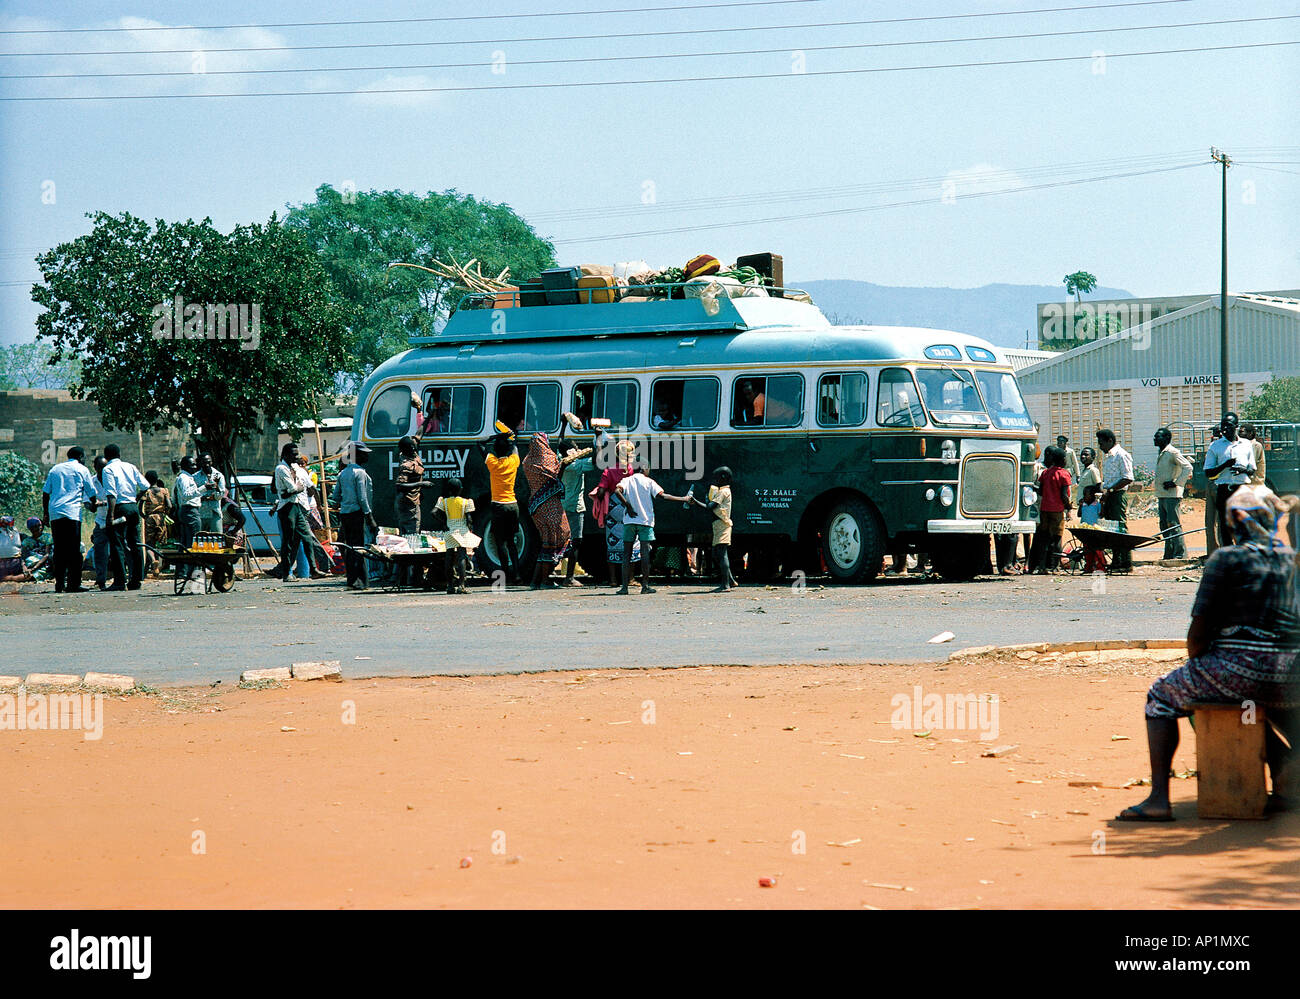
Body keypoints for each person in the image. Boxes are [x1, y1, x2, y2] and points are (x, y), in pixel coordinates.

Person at [1117, 485, 1300, 821]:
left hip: (1238, 667)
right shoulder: (1290, 560)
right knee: (1268, 701)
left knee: (1162, 695)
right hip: (1291, 669)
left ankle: (1159, 799)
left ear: (1234, 522)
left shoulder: (1226, 559)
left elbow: (1199, 632)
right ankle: (1286, 773)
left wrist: (1200, 663)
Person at [614, 460, 691, 595]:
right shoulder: (649, 482)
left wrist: (628, 506)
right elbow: (664, 496)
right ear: (645, 469)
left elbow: (616, 491)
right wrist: (683, 499)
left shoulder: (626, 480)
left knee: (626, 554)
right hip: (645, 522)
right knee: (645, 554)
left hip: (629, 521)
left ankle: (624, 587)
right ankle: (645, 586)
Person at [521, 430, 582, 590]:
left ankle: (536, 582)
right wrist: (564, 465)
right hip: (550, 505)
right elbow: (556, 477)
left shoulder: (527, 461)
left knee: (546, 543)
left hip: (535, 505)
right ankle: (545, 581)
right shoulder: (549, 459)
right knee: (559, 537)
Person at [41, 445, 96, 593]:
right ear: (81, 457)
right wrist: (95, 504)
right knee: (74, 550)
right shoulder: (82, 469)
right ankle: (74, 584)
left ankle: (59, 584)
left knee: (59, 549)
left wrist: (45, 513)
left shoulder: (55, 469)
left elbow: (46, 493)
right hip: (72, 513)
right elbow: (91, 492)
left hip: (56, 513)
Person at [269, 443, 322, 581]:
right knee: (288, 542)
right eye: (294, 454)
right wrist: (297, 488)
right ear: (286, 455)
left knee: (307, 537)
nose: (297, 457)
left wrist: (297, 488)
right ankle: (286, 573)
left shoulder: (295, 468)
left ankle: (314, 569)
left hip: (297, 506)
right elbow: (293, 488)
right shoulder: (281, 468)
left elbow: (305, 487)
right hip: (287, 507)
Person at [1203, 412, 1256, 550]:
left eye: (1229, 426)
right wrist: (1224, 465)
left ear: (1237, 426)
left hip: (1242, 489)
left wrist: (1242, 469)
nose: (1225, 429)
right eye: (1223, 426)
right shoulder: (1215, 446)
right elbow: (1208, 472)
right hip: (1224, 489)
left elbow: (1252, 470)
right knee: (1225, 526)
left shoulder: (1246, 444)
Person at [101, 442, 149, 591]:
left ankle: (119, 581)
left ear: (106, 457)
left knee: (117, 545)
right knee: (135, 544)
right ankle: (136, 580)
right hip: (133, 507)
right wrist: (135, 498)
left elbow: (111, 494)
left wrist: (110, 515)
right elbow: (145, 486)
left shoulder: (108, 469)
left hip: (119, 507)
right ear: (119, 455)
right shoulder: (130, 466)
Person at [480, 422, 522, 584]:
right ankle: (517, 575)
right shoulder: (514, 462)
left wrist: (496, 436)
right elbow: (515, 444)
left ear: (495, 451)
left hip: (498, 506)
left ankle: (505, 576)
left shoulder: (493, 464)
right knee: (511, 542)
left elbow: (479, 443)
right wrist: (509, 437)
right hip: (513, 505)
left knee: (500, 542)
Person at [332, 442, 378, 591]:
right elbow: (362, 498)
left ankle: (352, 580)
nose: (367, 456)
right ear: (357, 455)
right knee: (358, 547)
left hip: (345, 514)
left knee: (350, 547)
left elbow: (336, 496)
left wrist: (346, 500)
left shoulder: (343, 473)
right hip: (357, 514)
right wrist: (369, 516)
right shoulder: (360, 473)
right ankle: (361, 581)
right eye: (364, 453)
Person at [688, 466, 736, 591]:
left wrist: (698, 500)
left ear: (723, 478)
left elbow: (710, 506)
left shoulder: (723, 492)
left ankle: (725, 585)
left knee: (721, 554)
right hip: (720, 525)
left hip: (722, 524)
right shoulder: (724, 491)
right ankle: (730, 580)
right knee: (718, 553)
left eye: (716, 478)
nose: (715, 481)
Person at [1096, 429, 1134, 574]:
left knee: (1120, 528)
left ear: (1110, 441)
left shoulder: (1121, 455)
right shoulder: (1109, 457)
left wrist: (1110, 490)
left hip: (1118, 495)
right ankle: (1117, 561)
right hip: (1109, 496)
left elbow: (1127, 478)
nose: (1100, 447)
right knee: (1112, 528)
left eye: (1101, 443)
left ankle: (1126, 561)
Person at [559, 436, 595, 586]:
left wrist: (563, 426)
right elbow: (596, 462)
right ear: (570, 452)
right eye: (576, 448)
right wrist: (598, 441)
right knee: (576, 541)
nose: (578, 450)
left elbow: (560, 444)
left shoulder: (559, 459)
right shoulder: (575, 466)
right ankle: (569, 577)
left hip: (561, 505)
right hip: (574, 506)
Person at [1030, 445, 1072, 573]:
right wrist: (1068, 506)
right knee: (1057, 538)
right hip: (1057, 511)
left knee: (1044, 539)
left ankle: (1042, 566)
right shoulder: (1064, 474)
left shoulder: (1045, 473)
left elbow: (1041, 491)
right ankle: (1054, 566)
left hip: (1044, 510)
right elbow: (1064, 495)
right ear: (1063, 460)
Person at [435, 477, 480, 594]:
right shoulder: (466, 502)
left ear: (449, 490)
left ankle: (449, 586)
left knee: (449, 558)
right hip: (461, 531)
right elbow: (469, 519)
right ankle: (461, 585)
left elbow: (434, 512)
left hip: (449, 530)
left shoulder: (444, 502)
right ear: (460, 489)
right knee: (461, 557)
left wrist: (444, 523)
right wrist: (470, 528)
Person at [1153, 427, 1193, 560]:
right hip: (1162, 494)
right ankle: (1169, 553)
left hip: (1172, 494)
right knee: (1164, 525)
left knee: (1173, 524)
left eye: (1158, 437)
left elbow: (1188, 467)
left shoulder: (1172, 452)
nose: (1155, 439)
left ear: (1166, 439)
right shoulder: (1162, 452)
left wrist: (1176, 482)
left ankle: (1180, 553)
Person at [86, 455, 112, 590]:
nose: (102, 470)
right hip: (101, 520)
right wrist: (92, 506)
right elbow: (87, 503)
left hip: (115, 519)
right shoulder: (91, 482)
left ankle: (122, 578)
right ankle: (101, 579)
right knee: (100, 551)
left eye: (104, 467)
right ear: (95, 468)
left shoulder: (113, 479)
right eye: (99, 468)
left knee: (119, 549)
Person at [141, 470, 172, 577]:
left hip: (150, 518)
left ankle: (153, 561)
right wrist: (165, 513)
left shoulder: (147, 492)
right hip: (161, 518)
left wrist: (143, 515)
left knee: (149, 544)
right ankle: (156, 569)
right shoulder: (164, 491)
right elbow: (169, 505)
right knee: (159, 543)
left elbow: (140, 505)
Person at [195, 453, 227, 533]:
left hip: (215, 512)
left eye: (208, 462)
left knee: (217, 538)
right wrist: (206, 494)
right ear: (200, 463)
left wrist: (216, 487)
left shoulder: (218, 475)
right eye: (204, 462)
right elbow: (194, 495)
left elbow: (220, 495)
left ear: (212, 462)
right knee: (201, 539)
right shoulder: (195, 477)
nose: (207, 465)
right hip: (201, 513)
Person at [20, 517, 53, 582]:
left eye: (39, 525)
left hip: (45, 562)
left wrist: (34, 568)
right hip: (32, 564)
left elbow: (47, 554)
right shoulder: (27, 541)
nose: (38, 528)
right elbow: (22, 556)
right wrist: (25, 567)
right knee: (29, 560)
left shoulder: (47, 537)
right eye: (35, 526)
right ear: (30, 529)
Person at [0, 515, 27, 583]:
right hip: (11, 562)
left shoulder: (15, 532)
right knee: (26, 576)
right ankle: (11, 578)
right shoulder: (15, 531)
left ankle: (6, 578)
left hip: (13, 562)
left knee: (27, 575)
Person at [1241, 422, 1267, 487]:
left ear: (1250, 433)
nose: (1239, 434)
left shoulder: (1255, 445)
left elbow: (1250, 463)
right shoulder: (1242, 445)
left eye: (1242, 432)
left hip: (1255, 483)